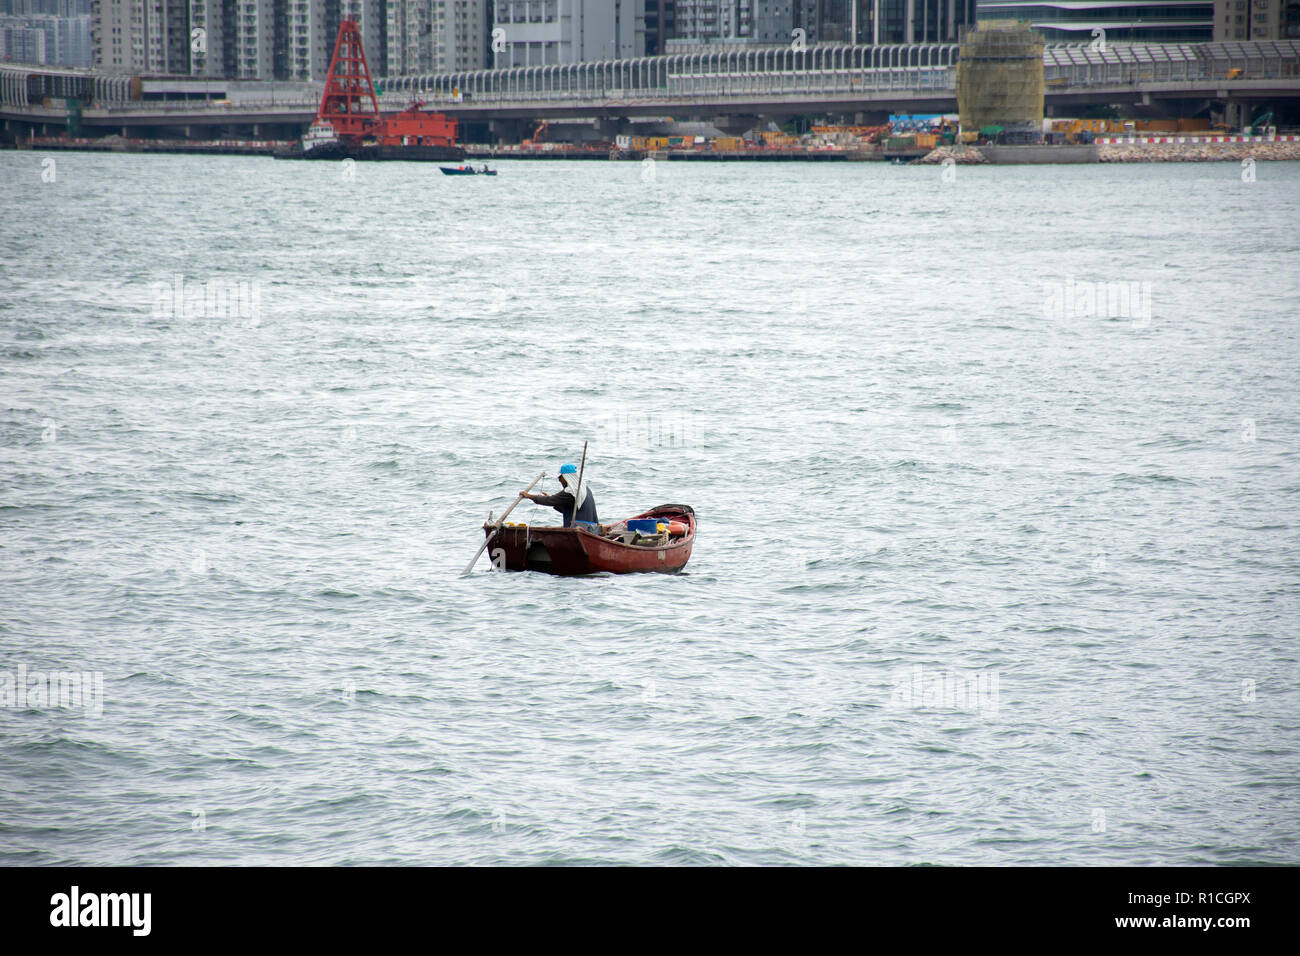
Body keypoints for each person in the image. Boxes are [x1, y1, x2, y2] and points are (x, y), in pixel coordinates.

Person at [522, 463, 598, 528]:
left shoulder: (571, 492)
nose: (559, 481)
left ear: (565, 477)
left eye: (560, 478)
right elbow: (568, 509)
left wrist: (529, 496)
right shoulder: (585, 489)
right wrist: (553, 500)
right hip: (592, 528)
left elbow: (549, 501)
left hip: (580, 528)